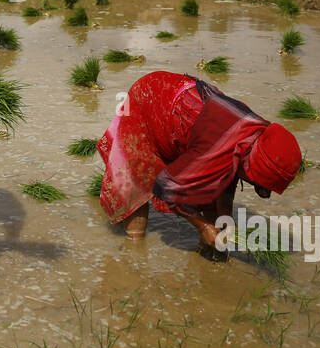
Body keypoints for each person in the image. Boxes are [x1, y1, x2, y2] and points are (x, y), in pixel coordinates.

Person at [96, 71, 303, 259]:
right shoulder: (216, 142)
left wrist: (224, 218)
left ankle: (208, 256)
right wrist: (203, 226)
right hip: (150, 99)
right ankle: (134, 254)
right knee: (137, 180)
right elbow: (166, 189)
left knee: (210, 199)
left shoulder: (251, 136)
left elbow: (228, 177)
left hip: (182, 110)